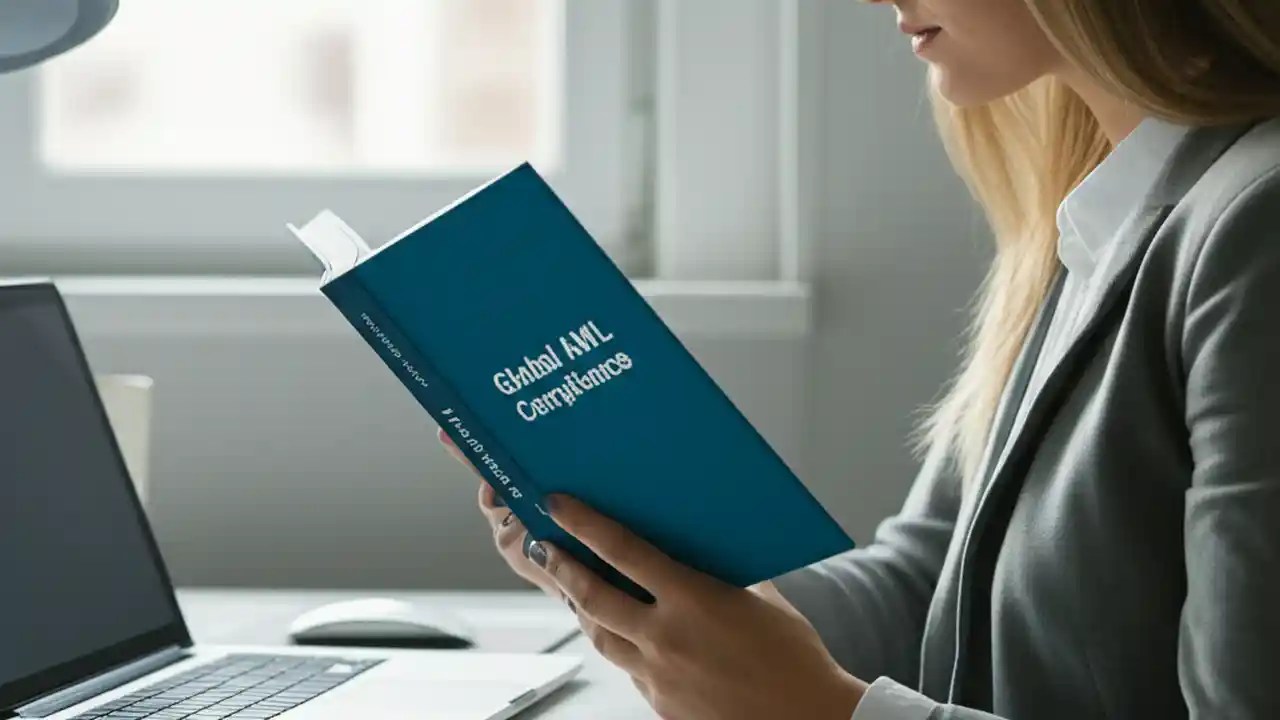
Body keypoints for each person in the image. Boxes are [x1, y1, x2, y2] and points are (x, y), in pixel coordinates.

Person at [442, 0, 1280, 717]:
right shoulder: (1102, 217)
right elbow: (928, 590)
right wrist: (628, 560)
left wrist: (826, 712)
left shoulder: (1253, 227)